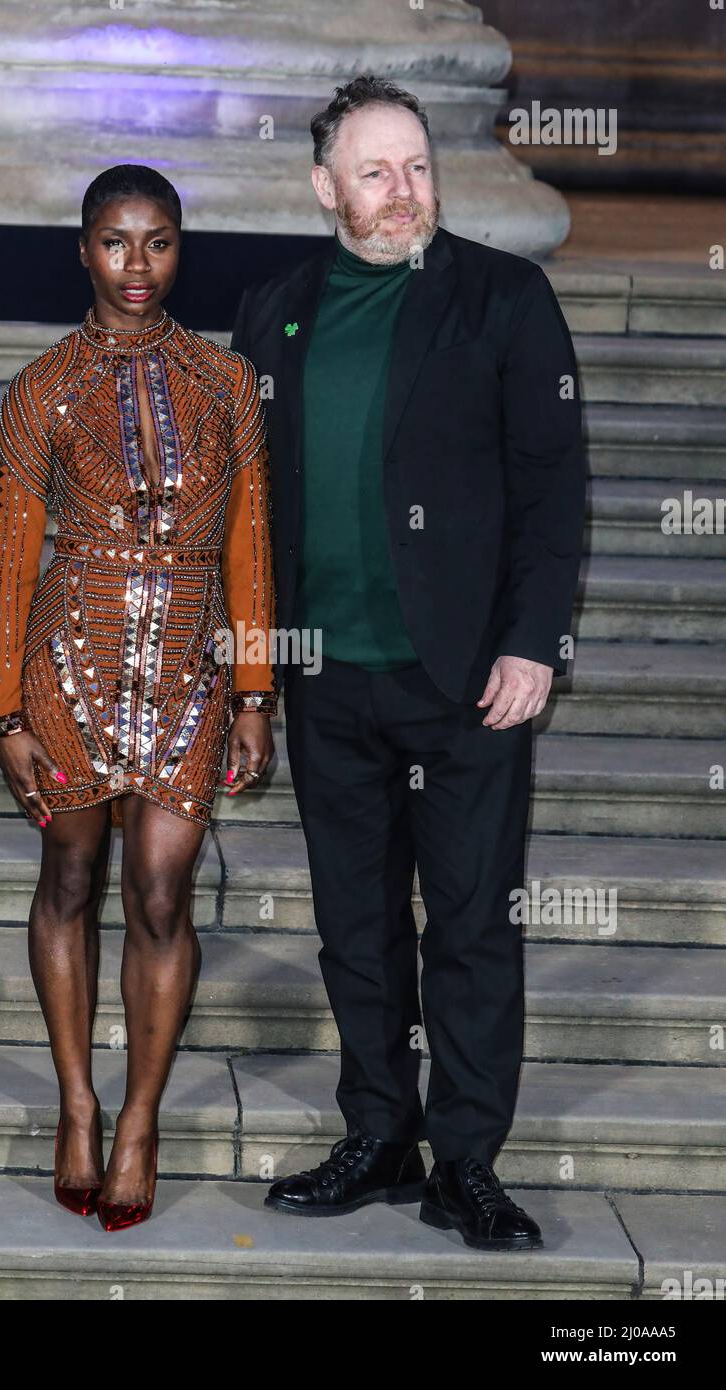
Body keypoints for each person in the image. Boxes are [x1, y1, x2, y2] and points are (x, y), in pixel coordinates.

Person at [231, 75, 585, 1250]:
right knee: (356, 926)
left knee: (472, 925)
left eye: (418, 166)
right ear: (324, 185)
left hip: (465, 680)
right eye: (374, 171)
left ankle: (465, 1158)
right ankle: (377, 1130)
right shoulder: (274, 312)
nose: (403, 192)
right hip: (328, 680)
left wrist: (532, 640)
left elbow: (550, 486)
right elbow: (248, 508)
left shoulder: (502, 297)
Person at [0, 164, 277, 1231]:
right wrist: (3, 712)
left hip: (190, 665)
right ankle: (75, 1102)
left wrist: (254, 690)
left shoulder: (225, 383)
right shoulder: (40, 388)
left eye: (157, 242)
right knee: (68, 872)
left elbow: (249, 541)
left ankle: (140, 1119)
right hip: (67, 657)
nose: (136, 265)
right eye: (115, 241)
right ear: (82, 250)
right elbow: (13, 560)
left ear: (178, 249)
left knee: (159, 888)